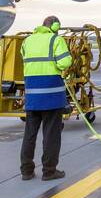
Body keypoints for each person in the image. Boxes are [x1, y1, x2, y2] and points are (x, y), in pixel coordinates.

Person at [20, 15, 74, 182]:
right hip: (51, 94)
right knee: (51, 134)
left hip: (32, 94)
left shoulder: (27, 41)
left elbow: (25, 59)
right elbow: (65, 62)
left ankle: (26, 171)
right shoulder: (55, 39)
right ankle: (49, 171)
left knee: (29, 134)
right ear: (56, 26)